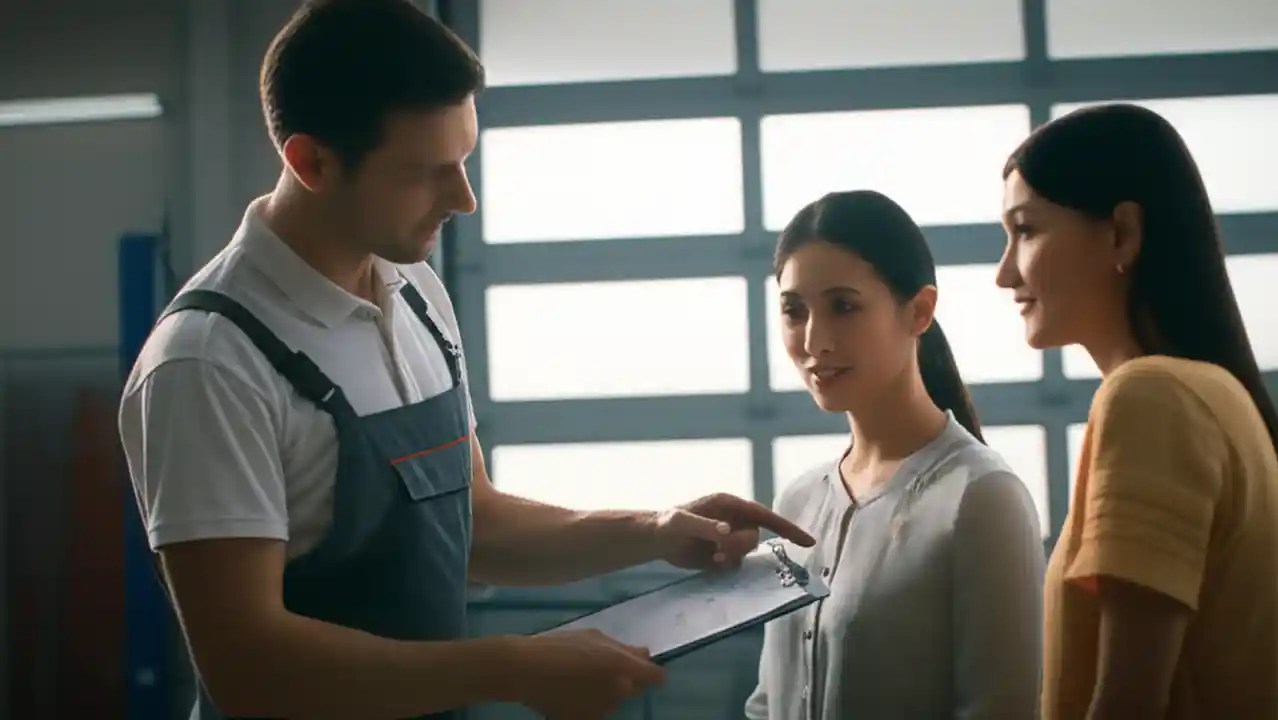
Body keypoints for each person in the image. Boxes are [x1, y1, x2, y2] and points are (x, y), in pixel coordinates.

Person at [116, 2, 814, 719]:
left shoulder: (416, 290)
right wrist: (515, 665)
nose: (466, 199)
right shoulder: (207, 364)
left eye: (465, 160)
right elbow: (247, 668)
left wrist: (655, 531)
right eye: (427, 173)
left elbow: (470, 523)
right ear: (311, 161)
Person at [997, 103, 1278, 719]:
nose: (1003, 274)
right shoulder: (1223, 399)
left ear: (1122, 232)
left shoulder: (1149, 397)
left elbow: (1126, 701)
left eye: (1025, 231)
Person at [744, 190, 1045, 719]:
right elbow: (768, 705)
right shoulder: (795, 504)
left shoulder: (981, 497)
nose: (815, 340)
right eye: (794, 311)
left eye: (844, 306)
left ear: (920, 311)